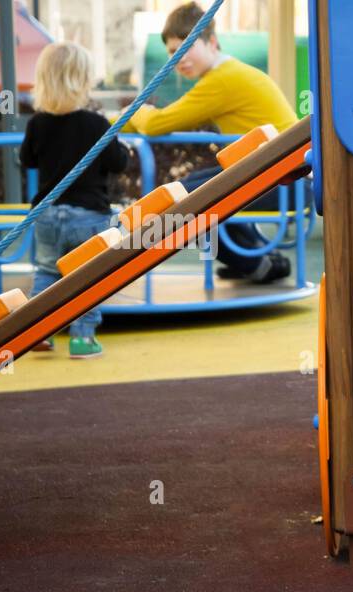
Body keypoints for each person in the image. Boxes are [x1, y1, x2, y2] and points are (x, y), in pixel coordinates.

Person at [120, 2, 301, 283]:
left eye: (187, 47)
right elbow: (157, 119)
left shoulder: (222, 80)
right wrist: (114, 125)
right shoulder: (227, 74)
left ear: (212, 42)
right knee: (193, 188)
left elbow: (157, 124)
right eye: (172, 52)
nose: (179, 58)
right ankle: (258, 259)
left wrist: (129, 113)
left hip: (284, 179)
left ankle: (254, 264)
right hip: (278, 173)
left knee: (192, 202)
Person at [21, 42, 130, 359]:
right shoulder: (95, 124)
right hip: (88, 214)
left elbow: (26, 159)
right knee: (88, 275)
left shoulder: (37, 123)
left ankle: (39, 331)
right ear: (83, 81)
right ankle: (82, 337)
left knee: (46, 272)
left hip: (47, 213)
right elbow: (118, 161)